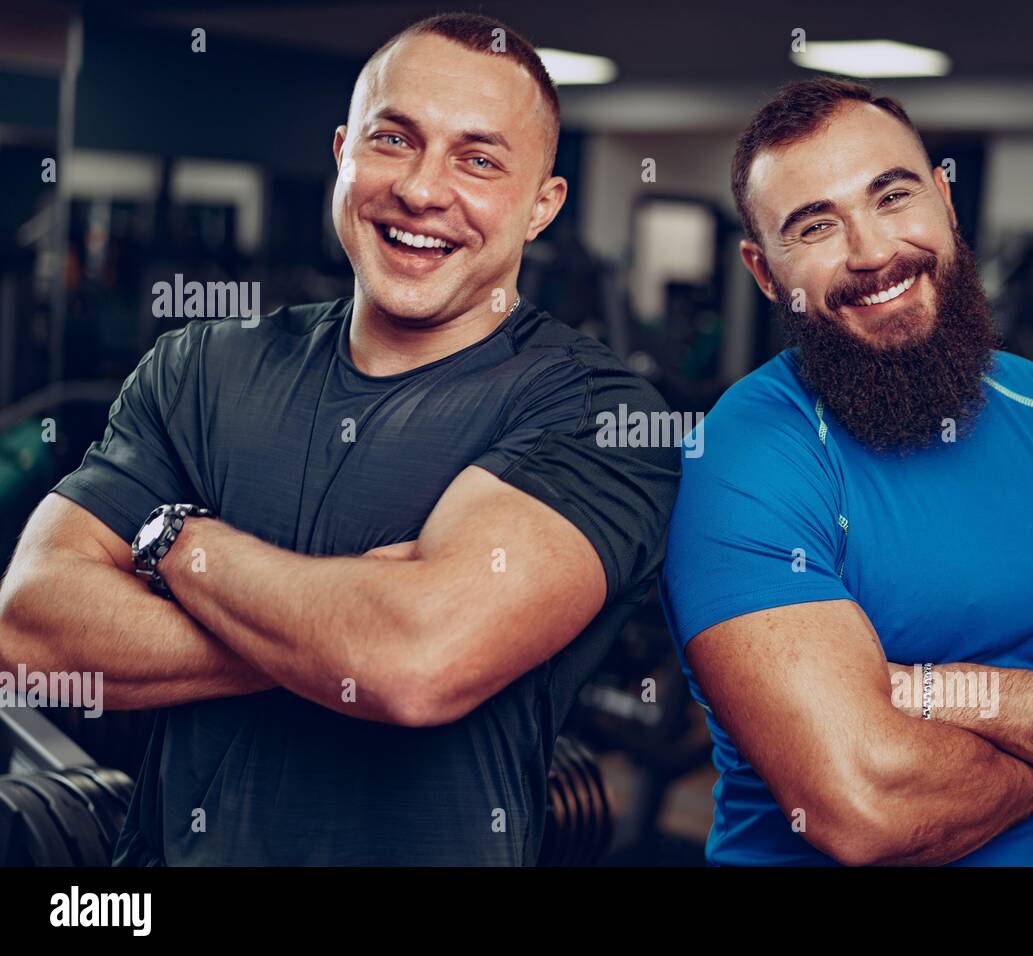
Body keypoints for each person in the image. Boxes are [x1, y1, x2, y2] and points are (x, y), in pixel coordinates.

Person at [0, 12, 679, 865]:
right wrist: (345, 618)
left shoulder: (593, 414)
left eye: (478, 159)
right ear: (341, 154)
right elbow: (28, 629)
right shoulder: (201, 367)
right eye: (394, 139)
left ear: (542, 206)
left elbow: (414, 661)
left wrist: (176, 542)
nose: (423, 190)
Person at [660, 77, 1033, 866]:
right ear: (766, 273)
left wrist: (935, 693)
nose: (874, 253)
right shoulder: (749, 452)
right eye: (815, 227)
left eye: (892, 196)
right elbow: (868, 808)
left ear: (945, 199)